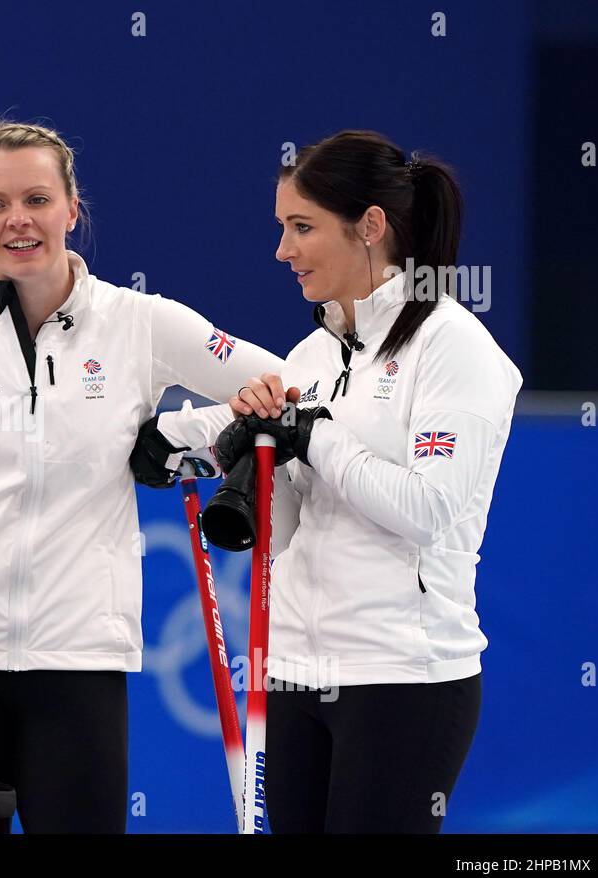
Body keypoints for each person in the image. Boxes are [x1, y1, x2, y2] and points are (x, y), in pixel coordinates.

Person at [0, 120, 284, 834]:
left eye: (36, 198)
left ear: (71, 209)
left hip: (77, 657)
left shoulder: (138, 322)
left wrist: (185, 438)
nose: (17, 219)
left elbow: (288, 388)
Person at [207, 129, 522, 832]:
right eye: (282, 228)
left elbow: (428, 508)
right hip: (294, 670)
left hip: (403, 675)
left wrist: (314, 435)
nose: (282, 250)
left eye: (302, 227)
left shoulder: (452, 344)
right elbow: (285, 532)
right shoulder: (310, 353)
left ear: (370, 226)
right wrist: (261, 458)